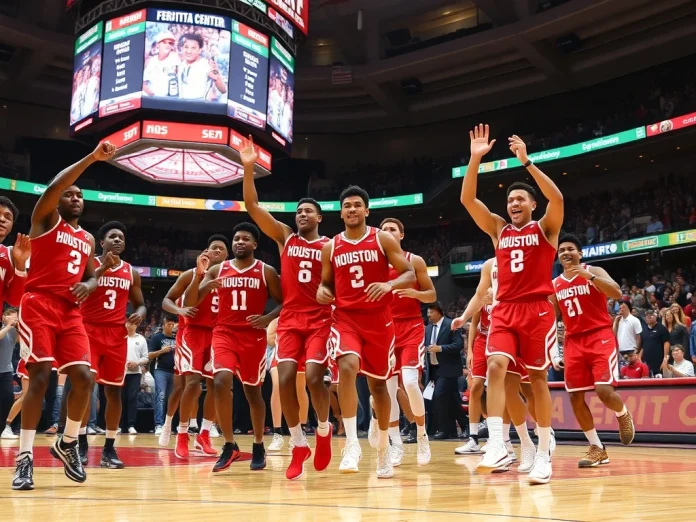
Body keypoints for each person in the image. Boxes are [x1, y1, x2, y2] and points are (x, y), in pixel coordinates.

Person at [460, 124, 562, 484]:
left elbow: (559, 199)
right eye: (510, 200)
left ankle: (545, 449)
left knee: (536, 380)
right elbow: (468, 201)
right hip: (504, 310)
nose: (514, 204)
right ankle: (503, 443)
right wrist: (474, 160)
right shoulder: (499, 230)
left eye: (520, 199)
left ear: (532, 205)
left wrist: (527, 162)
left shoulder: (545, 229)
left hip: (536, 310)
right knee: (497, 368)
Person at [13, 142, 115, 491]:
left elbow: (91, 274)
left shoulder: (86, 237)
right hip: (39, 303)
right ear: (58, 199)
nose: (74, 198)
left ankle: (68, 443)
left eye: (79, 195)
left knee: (85, 378)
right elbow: (56, 185)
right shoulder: (45, 219)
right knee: (40, 377)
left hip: (71, 313)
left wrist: (90, 284)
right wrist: (92, 159)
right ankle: (24, 457)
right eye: (69, 194)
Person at [241, 136, 332, 480]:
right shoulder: (285, 237)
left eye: (308, 211)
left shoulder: (330, 246)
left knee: (312, 378)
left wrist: (331, 294)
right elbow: (252, 207)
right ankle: (298, 444)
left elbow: (339, 287)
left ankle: (323, 431)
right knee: (284, 379)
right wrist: (249, 168)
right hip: (291, 319)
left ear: (319, 217)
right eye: (298, 211)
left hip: (321, 319)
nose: (301, 214)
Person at [317, 185, 416, 478]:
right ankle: (351, 443)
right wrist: (324, 291)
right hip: (346, 318)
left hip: (380, 321)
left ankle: (384, 449)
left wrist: (389, 284)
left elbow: (408, 272)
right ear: (341, 211)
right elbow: (326, 283)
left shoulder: (382, 238)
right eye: (347, 205)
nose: (351, 209)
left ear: (366, 210)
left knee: (378, 388)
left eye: (357, 205)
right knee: (346, 366)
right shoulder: (331, 247)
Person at [185, 222, 282, 473]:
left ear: (254, 244)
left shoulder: (266, 271)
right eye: (236, 238)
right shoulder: (218, 269)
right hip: (224, 332)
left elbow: (286, 302)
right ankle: (229, 444)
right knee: (219, 381)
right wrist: (201, 279)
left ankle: (259, 444)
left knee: (253, 394)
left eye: (245, 239)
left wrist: (267, 318)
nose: (239, 242)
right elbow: (191, 303)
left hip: (253, 337)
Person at [551, 234, 635, 468]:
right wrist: (552, 352)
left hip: (600, 336)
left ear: (580, 253)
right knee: (575, 396)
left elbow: (617, 293)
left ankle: (622, 414)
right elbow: (551, 317)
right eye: (561, 250)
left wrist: (589, 276)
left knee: (603, 390)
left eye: (570, 249)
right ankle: (597, 448)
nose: (565, 253)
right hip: (573, 341)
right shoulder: (555, 284)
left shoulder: (594, 270)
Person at [78, 221, 147, 468]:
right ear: (102, 242)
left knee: (114, 391)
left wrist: (140, 312)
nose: (118, 240)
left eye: (121, 237)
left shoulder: (131, 272)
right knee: (85, 385)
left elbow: (140, 303)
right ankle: (81, 443)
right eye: (112, 236)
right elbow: (80, 290)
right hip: (88, 329)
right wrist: (103, 269)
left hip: (116, 335)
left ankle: (109, 448)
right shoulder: (89, 264)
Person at [377, 218, 435, 466]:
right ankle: (395, 443)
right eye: (383, 230)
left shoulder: (415, 260)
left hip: (411, 326)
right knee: (388, 391)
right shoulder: (375, 265)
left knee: (410, 382)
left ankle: (422, 435)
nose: (387, 232)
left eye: (392, 229)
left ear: (401, 234)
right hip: (385, 329)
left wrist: (415, 293)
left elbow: (432, 294)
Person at [175, 236, 229, 460]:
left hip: (218, 334)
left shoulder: (231, 275)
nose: (217, 251)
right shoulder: (192, 273)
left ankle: (204, 434)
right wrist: (200, 277)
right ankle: (182, 433)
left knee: (216, 385)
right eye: (213, 248)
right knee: (192, 384)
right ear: (206, 251)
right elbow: (187, 302)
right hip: (194, 333)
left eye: (221, 249)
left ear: (227, 255)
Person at [452, 259, 495, 455]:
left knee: (499, 389)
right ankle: (473, 438)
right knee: (475, 386)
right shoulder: (481, 295)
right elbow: (474, 325)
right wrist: (469, 351)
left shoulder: (507, 293)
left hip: (500, 340)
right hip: (482, 340)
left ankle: (499, 437)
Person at [423, 302, 466, 441]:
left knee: (439, 396)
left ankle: (443, 430)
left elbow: (458, 345)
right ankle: (460, 428)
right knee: (451, 399)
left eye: (431, 312)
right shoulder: (428, 329)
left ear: (439, 312)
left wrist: (440, 348)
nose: (428, 315)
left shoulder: (451, 324)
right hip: (433, 369)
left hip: (449, 369)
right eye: (428, 312)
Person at [149, 315, 178, 436]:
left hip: (176, 371)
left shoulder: (179, 337)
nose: (170, 327)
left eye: (173, 325)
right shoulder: (157, 338)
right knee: (160, 396)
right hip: (160, 370)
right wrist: (162, 351)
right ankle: (159, 425)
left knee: (172, 399)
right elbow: (149, 355)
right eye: (168, 325)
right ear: (163, 325)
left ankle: (169, 425)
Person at [178, 33, 227, 101]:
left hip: (198, 107)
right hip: (180, 107)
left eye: (193, 48)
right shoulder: (181, 65)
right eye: (186, 47)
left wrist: (217, 78)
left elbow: (223, 90)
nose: (189, 51)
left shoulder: (207, 65)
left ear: (200, 50)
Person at [123, 321, 148, 435]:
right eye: (128, 323)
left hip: (135, 373)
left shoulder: (141, 339)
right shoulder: (120, 336)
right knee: (119, 398)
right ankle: (118, 425)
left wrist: (137, 363)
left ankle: (131, 425)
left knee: (132, 398)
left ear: (136, 325)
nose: (130, 325)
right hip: (120, 372)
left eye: (133, 323)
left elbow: (146, 357)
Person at [143, 31, 181, 97]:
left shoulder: (177, 58)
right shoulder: (150, 61)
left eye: (170, 43)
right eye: (164, 42)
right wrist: (152, 96)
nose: (167, 45)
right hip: (152, 99)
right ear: (157, 45)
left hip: (171, 100)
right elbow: (143, 84)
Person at [0, 309, 19, 439]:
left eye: (16, 318)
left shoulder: (14, 331)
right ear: (4, 317)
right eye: (12, 318)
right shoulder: (5, 328)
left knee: (7, 399)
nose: (14, 320)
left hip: (7, 370)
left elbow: (23, 340)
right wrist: (8, 326)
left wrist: (19, 327)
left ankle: (3, 429)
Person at [639, 309, 669, 376]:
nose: (649, 317)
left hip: (658, 361)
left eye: (651, 315)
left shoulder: (662, 328)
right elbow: (643, 345)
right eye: (647, 316)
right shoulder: (643, 330)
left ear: (656, 316)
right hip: (646, 361)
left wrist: (665, 359)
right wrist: (639, 358)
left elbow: (666, 343)